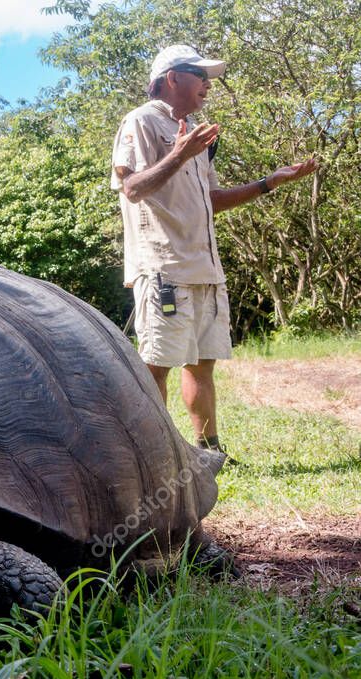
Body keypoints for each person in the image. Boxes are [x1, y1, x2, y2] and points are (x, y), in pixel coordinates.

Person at [111, 44, 317, 453]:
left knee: (202, 363)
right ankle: (154, 457)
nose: (208, 84)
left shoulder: (195, 133)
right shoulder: (141, 121)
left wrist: (269, 183)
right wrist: (178, 154)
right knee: (157, 365)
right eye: (200, 75)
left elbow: (212, 199)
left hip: (205, 268)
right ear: (172, 78)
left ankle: (210, 451)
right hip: (164, 268)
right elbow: (131, 187)